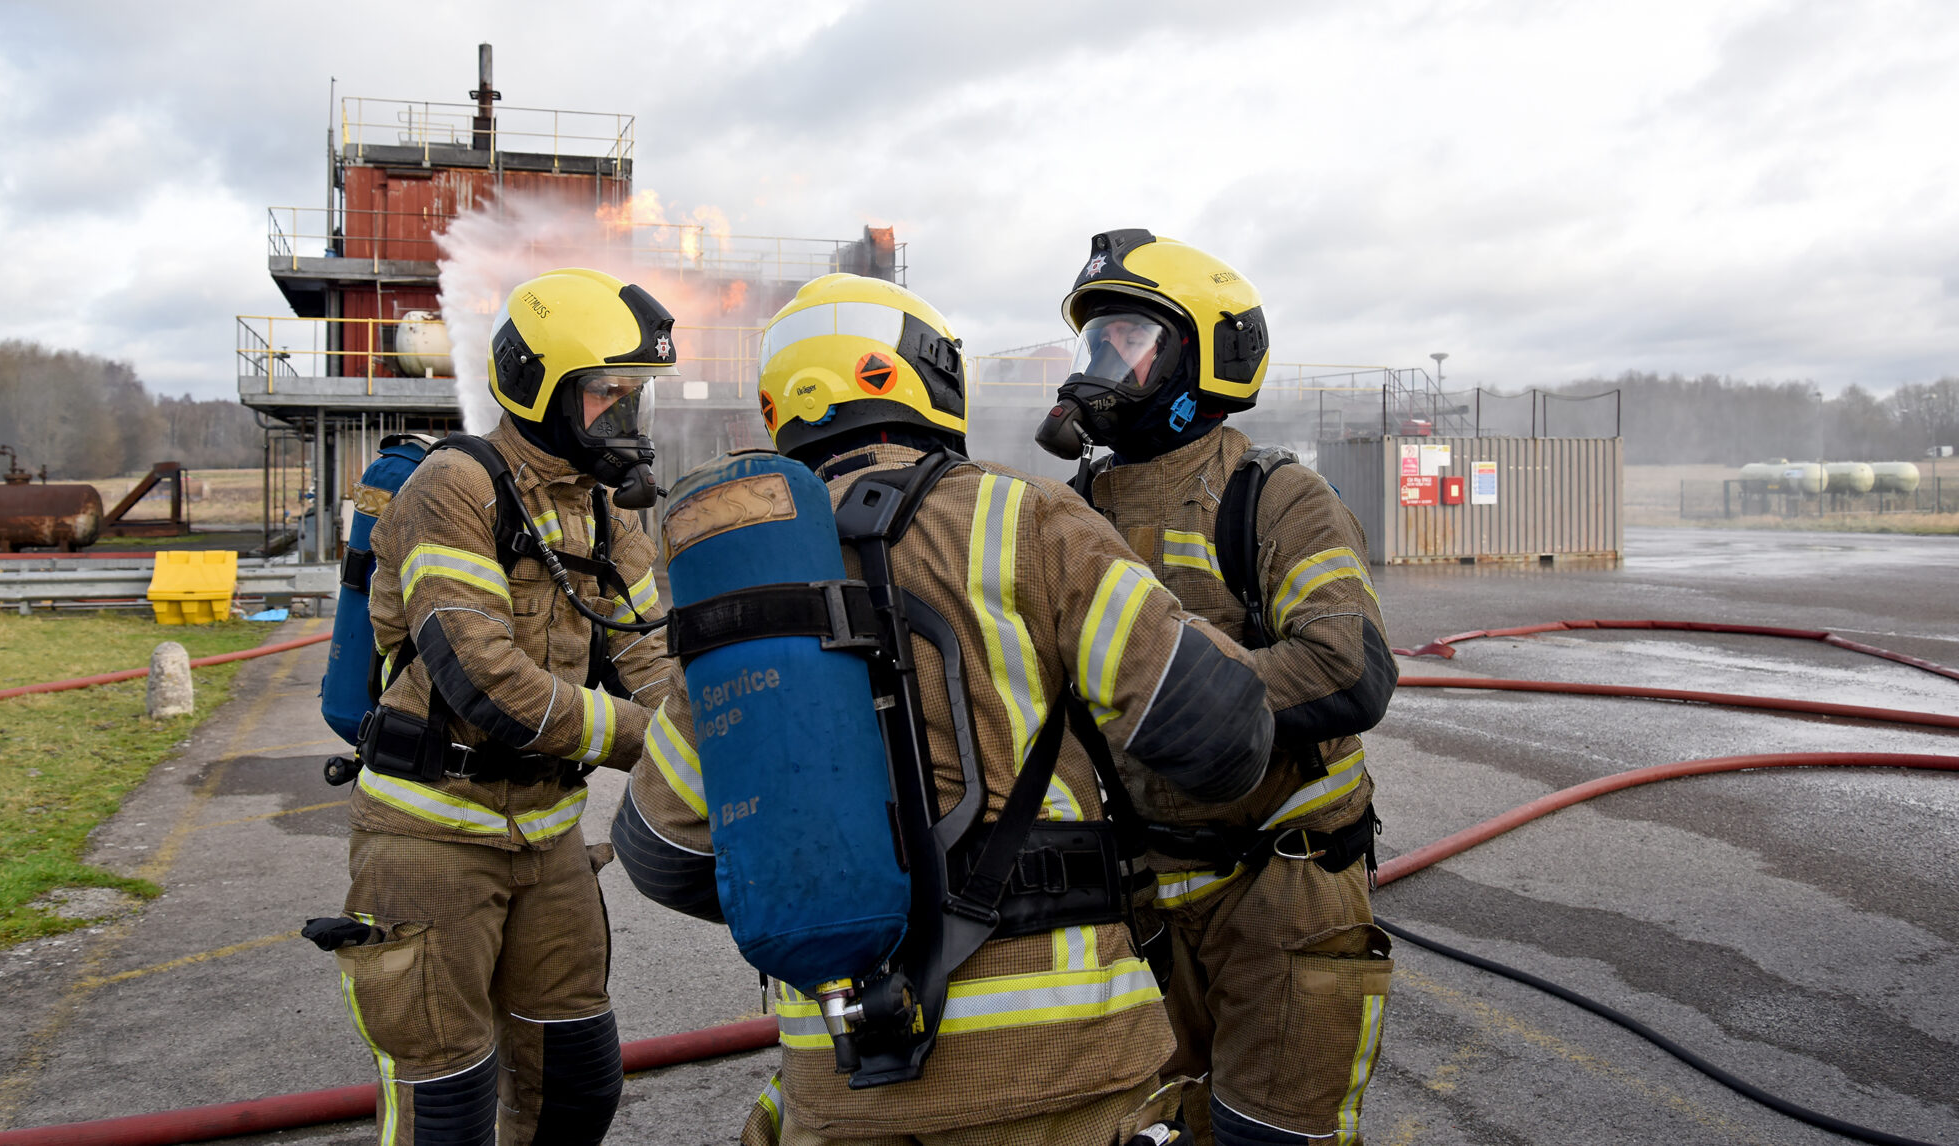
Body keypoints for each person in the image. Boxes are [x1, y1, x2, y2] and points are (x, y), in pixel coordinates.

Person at [612, 273, 1281, 1146]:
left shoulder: (752, 580)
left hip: (842, 1077)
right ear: (924, 374)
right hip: (1060, 1065)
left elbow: (658, 846)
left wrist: (830, 876)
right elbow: (1221, 730)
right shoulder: (1023, 515)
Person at [1037, 229, 1397, 1146]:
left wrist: (1185, 698)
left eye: (1125, 341)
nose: (1098, 366)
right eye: (1093, 343)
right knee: (1154, 1127)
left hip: (1282, 889)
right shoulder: (1073, 515)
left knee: (1266, 1135)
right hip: (1142, 897)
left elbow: (1347, 665)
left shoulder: (1271, 497)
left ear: (1206, 356)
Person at [319, 267, 681, 1146]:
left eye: (638, 397)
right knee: (447, 1103)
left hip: (548, 833)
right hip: (430, 833)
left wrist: (720, 732)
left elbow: (652, 653)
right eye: (607, 395)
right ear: (541, 388)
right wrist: (660, 745)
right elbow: (483, 680)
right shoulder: (453, 487)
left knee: (578, 1087)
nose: (628, 419)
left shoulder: (604, 509)